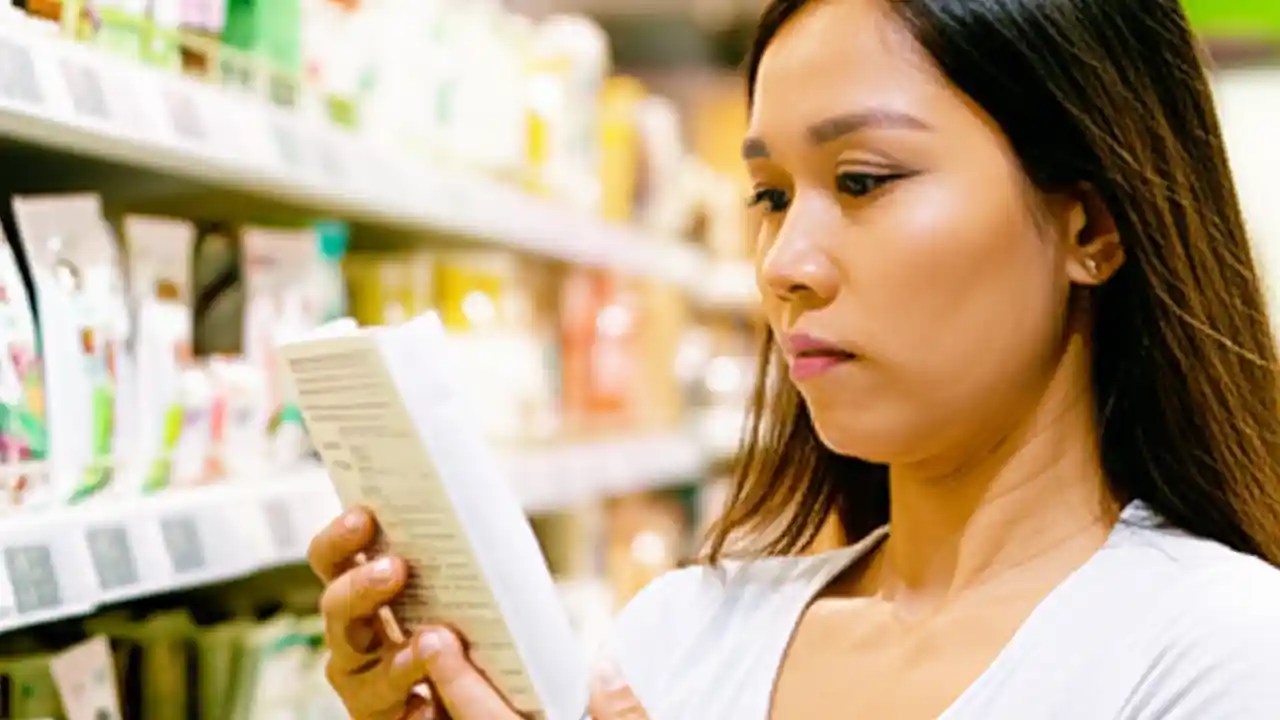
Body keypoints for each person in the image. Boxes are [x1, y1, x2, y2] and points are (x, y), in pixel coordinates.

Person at [307, 0, 1280, 717]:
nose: (784, 265)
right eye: (769, 196)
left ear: (1090, 226)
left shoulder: (1218, 653)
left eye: (860, 180)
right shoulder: (676, 637)